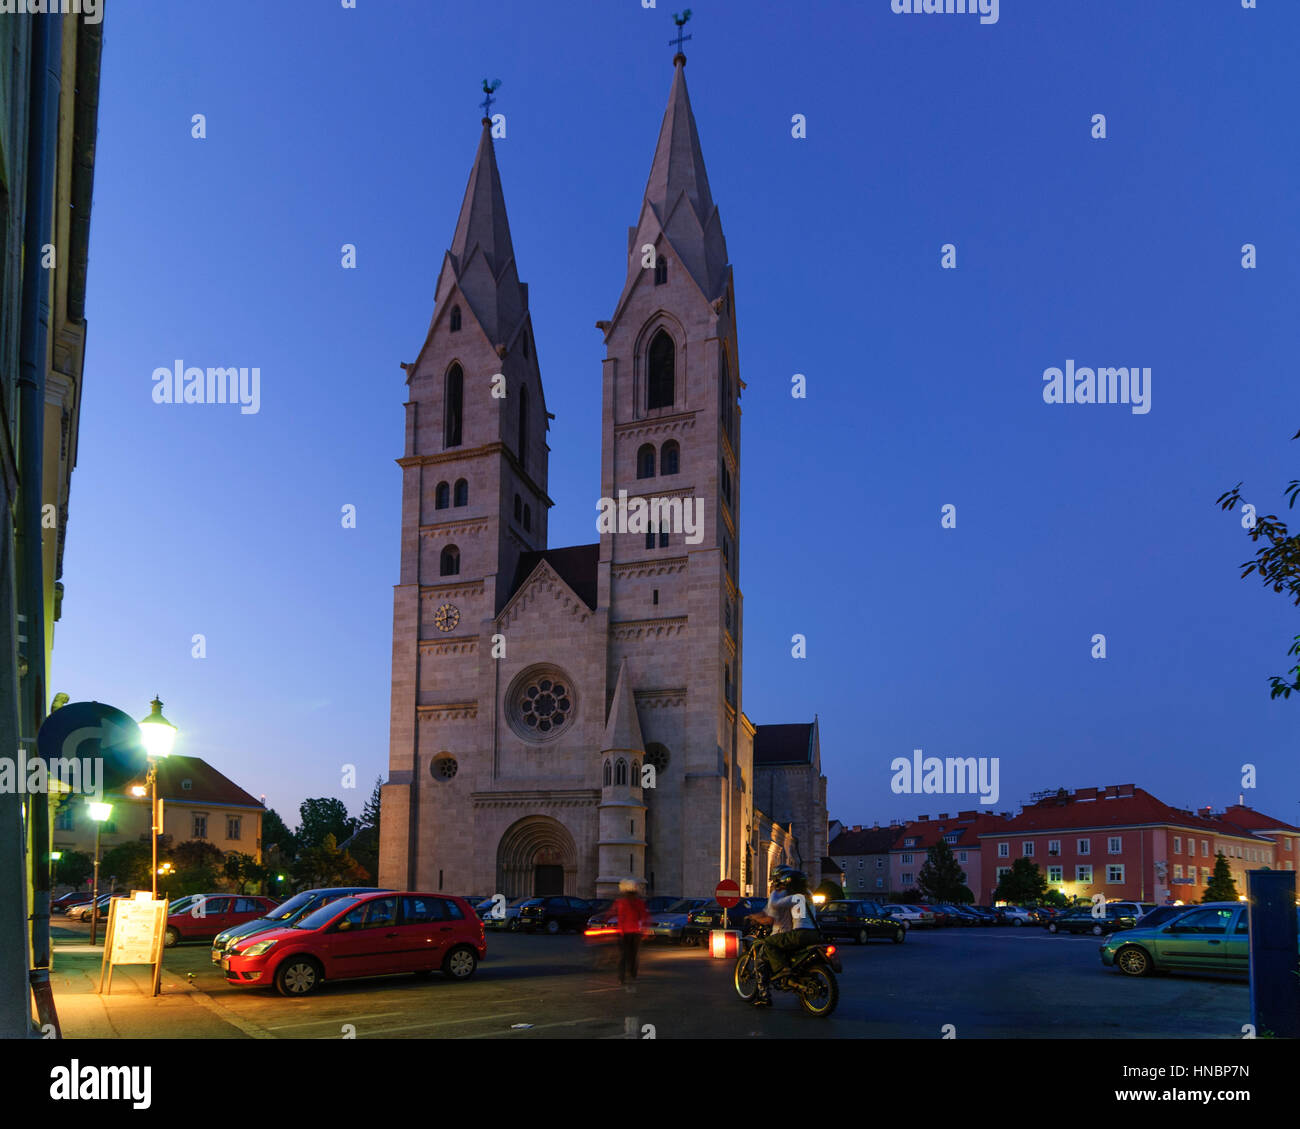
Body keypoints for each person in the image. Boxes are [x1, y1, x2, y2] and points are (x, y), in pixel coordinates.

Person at [746, 866, 818, 1007]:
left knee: (764, 952)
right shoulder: (807, 894)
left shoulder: (790, 896)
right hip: (815, 933)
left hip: (792, 933)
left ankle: (765, 994)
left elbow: (771, 913)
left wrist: (754, 916)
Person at [613, 879, 648, 989]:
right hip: (634, 932)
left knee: (624, 956)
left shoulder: (621, 902)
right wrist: (644, 930)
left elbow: (616, 915)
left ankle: (622, 977)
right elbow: (644, 916)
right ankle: (631, 974)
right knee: (631, 955)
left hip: (625, 933)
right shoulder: (638, 902)